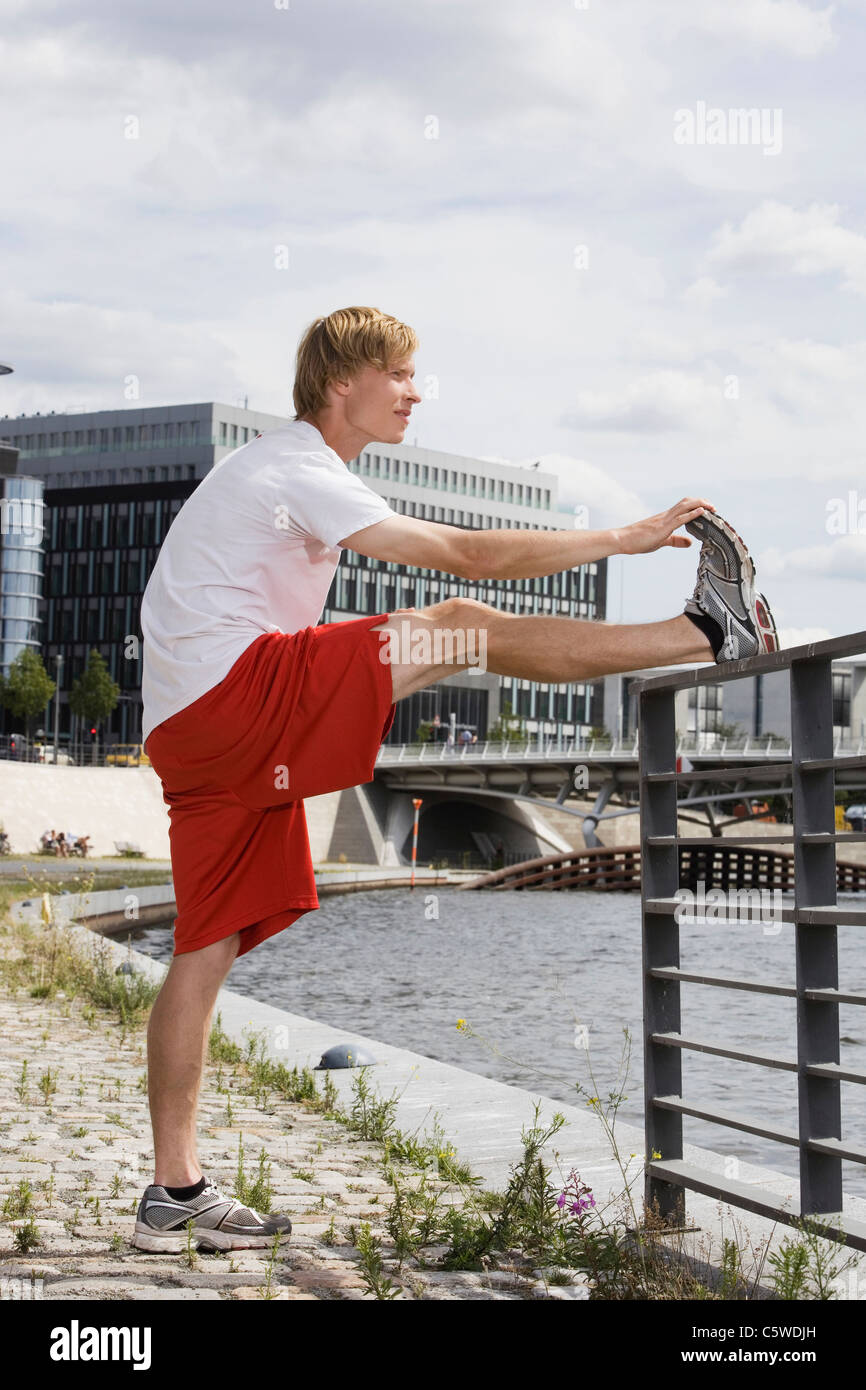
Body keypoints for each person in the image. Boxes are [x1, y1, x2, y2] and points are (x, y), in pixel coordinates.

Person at [135, 305, 778, 1253]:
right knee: (464, 616)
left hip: (193, 727)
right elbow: (468, 554)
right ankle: (708, 634)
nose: (414, 391)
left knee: (203, 948)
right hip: (235, 695)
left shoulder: (288, 474)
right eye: (397, 373)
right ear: (342, 380)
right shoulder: (294, 465)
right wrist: (624, 537)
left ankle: (172, 1193)